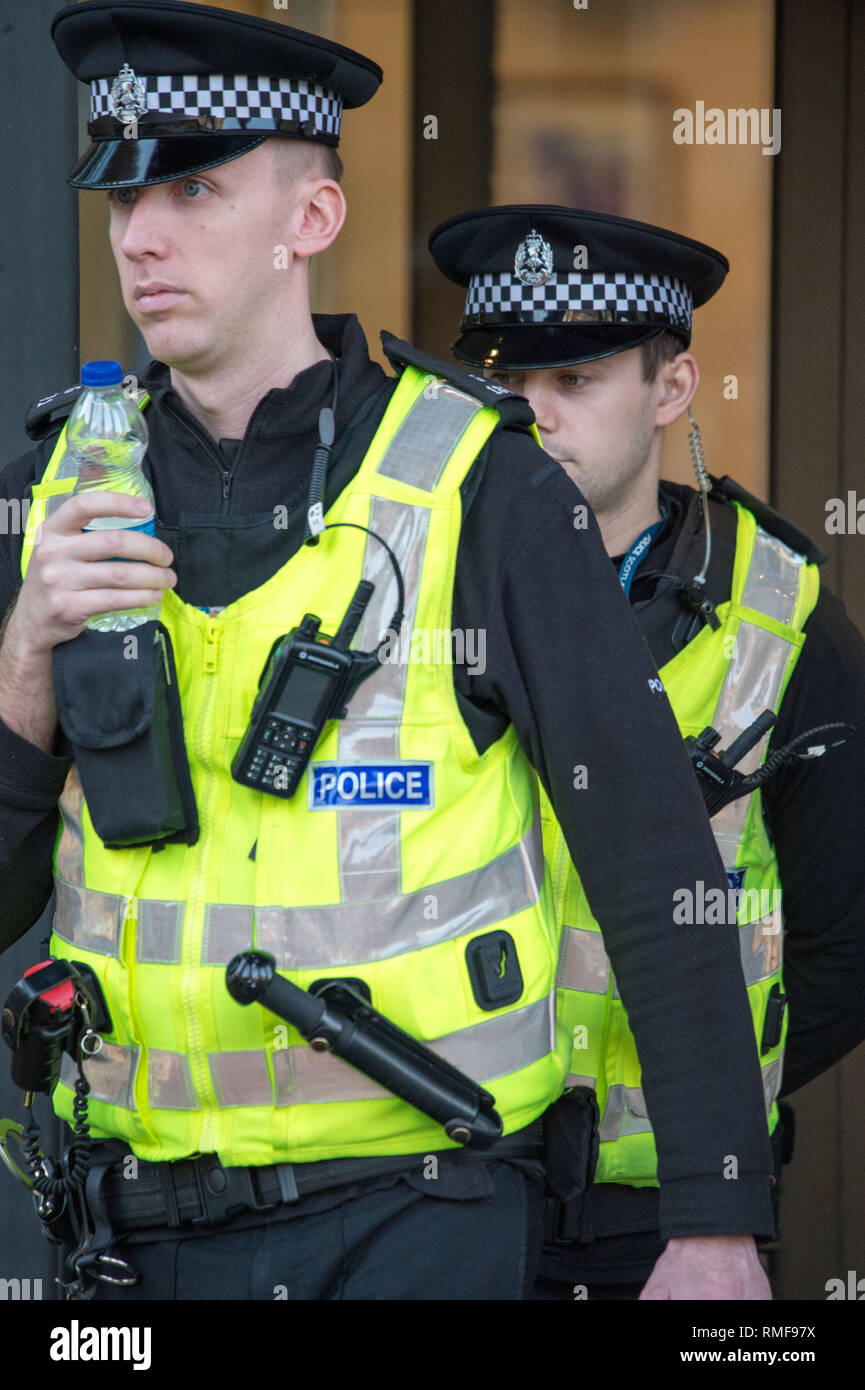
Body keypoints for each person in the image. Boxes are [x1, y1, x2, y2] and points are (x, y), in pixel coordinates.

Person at [0, 3, 776, 1301]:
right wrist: (24, 665)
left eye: (194, 187)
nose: (141, 234)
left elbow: (648, 850)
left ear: (309, 220)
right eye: (123, 193)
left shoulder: (484, 486)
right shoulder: (60, 487)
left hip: (418, 1215)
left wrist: (713, 1213)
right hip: (128, 1237)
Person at [429, 202, 865, 1299]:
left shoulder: (777, 611)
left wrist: (701, 1085)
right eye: (504, 384)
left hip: (670, 1220)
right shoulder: (401, 581)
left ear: (670, 390)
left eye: (572, 381)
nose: (530, 416)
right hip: (436, 1195)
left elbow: (847, 945)